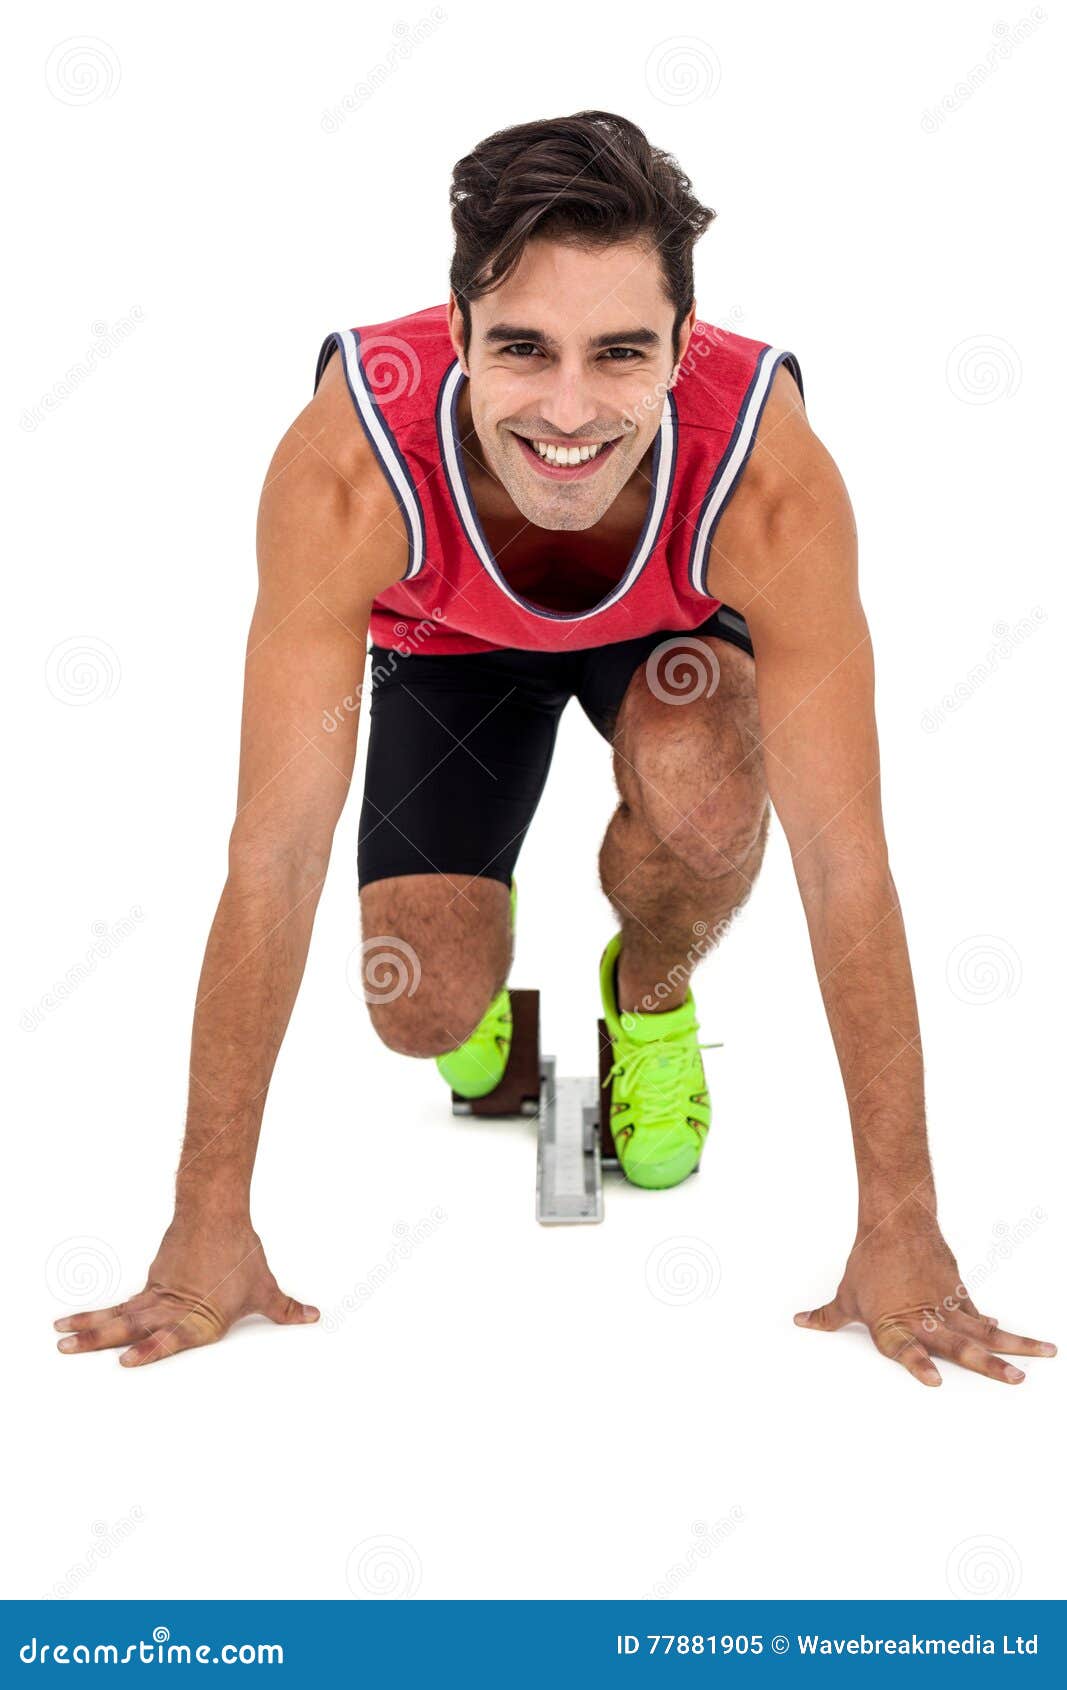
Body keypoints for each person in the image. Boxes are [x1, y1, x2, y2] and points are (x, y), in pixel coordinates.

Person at [55, 111, 1054, 1383]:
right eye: (522, 348)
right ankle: (489, 975)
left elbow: (845, 860)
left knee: (702, 790)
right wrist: (205, 1223)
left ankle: (648, 996)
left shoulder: (768, 479)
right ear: (458, 330)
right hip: (453, 645)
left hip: (675, 650)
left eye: (620, 353)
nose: (569, 410)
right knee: (422, 1006)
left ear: (684, 348)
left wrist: (903, 1229)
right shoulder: (348, 465)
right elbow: (273, 849)